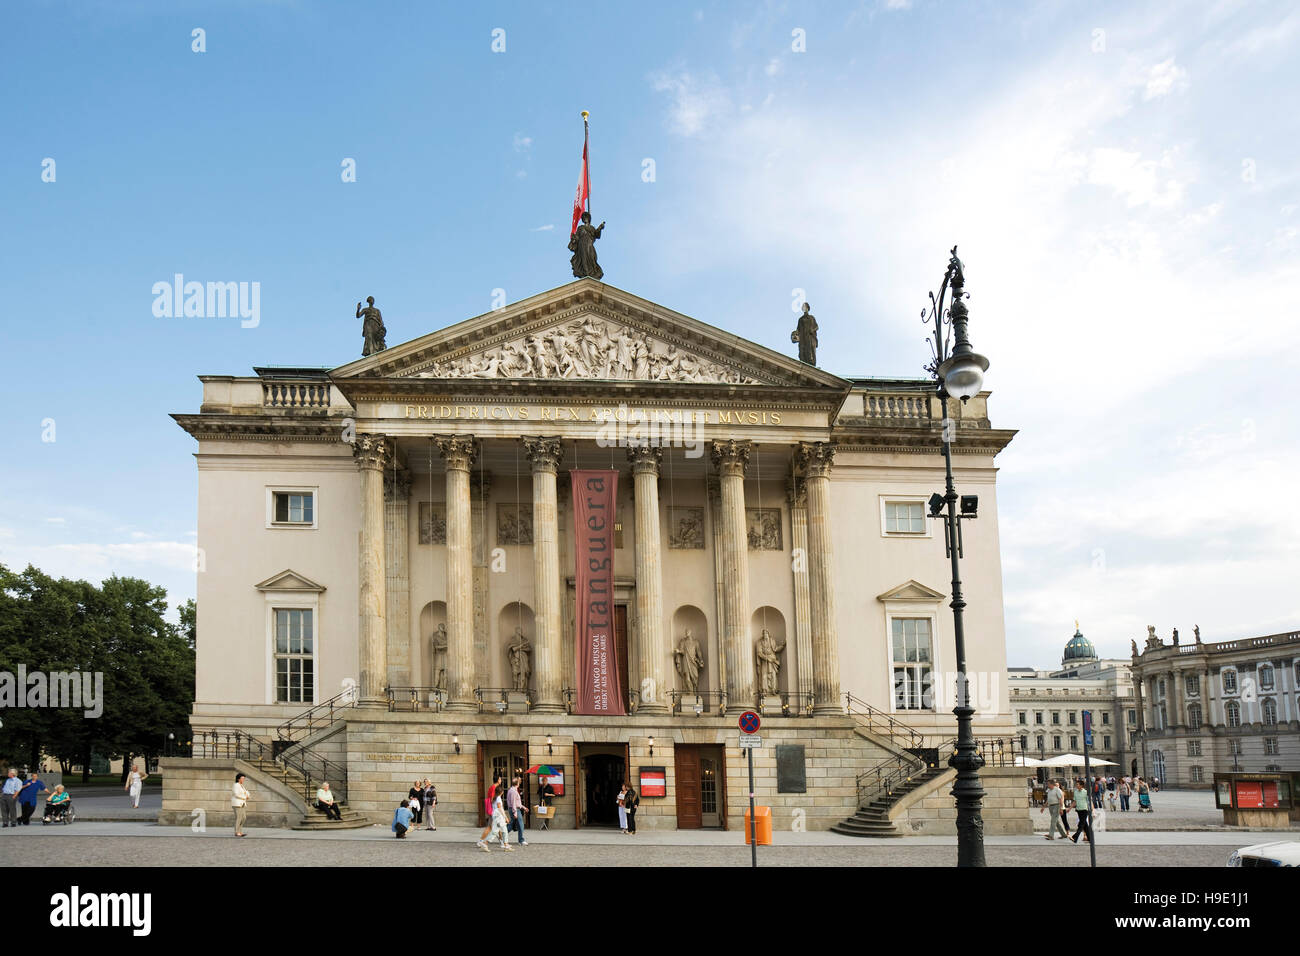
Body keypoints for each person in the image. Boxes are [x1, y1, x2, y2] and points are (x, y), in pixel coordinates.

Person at [477, 772, 501, 846]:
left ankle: (503, 842)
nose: (501, 780)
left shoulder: (493, 787)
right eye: (500, 779)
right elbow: (492, 799)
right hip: (494, 810)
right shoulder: (494, 788)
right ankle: (481, 841)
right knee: (490, 827)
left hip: (494, 810)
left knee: (499, 826)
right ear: (497, 780)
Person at [506, 776, 527, 846]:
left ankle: (502, 834)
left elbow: (517, 802)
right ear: (517, 783)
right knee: (521, 825)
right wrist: (515, 812)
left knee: (512, 825)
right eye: (519, 782)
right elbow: (513, 803)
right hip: (515, 810)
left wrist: (523, 807)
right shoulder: (513, 791)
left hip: (514, 809)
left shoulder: (512, 790)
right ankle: (521, 840)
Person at [1071, 779, 1092, 844]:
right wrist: (1069, 808)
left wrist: (1092, 809)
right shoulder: (1075, 792)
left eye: (1077, 784)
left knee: (1081, 824)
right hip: (1078, 809)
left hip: (1085, 809)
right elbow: (1075, 801)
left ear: (1081, 785)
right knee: (1085, 824)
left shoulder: (1085, 792)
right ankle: (1090, 838)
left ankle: (1075, 837)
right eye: (1076, 784)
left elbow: (1089, 801)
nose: (1076, 785)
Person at [232, 772, 250, 837]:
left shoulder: (242, 786)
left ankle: (239, 831)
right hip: (237, 803)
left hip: (242, 803)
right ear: (238, 779)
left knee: (243, 818)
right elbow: (236, 794)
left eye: (244, 779)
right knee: (239, 818)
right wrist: (245, 797)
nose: (243, 780)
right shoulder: (236, 785)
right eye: (242, 778)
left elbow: (246, 792)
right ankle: (237, 832)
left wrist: (248, 795)